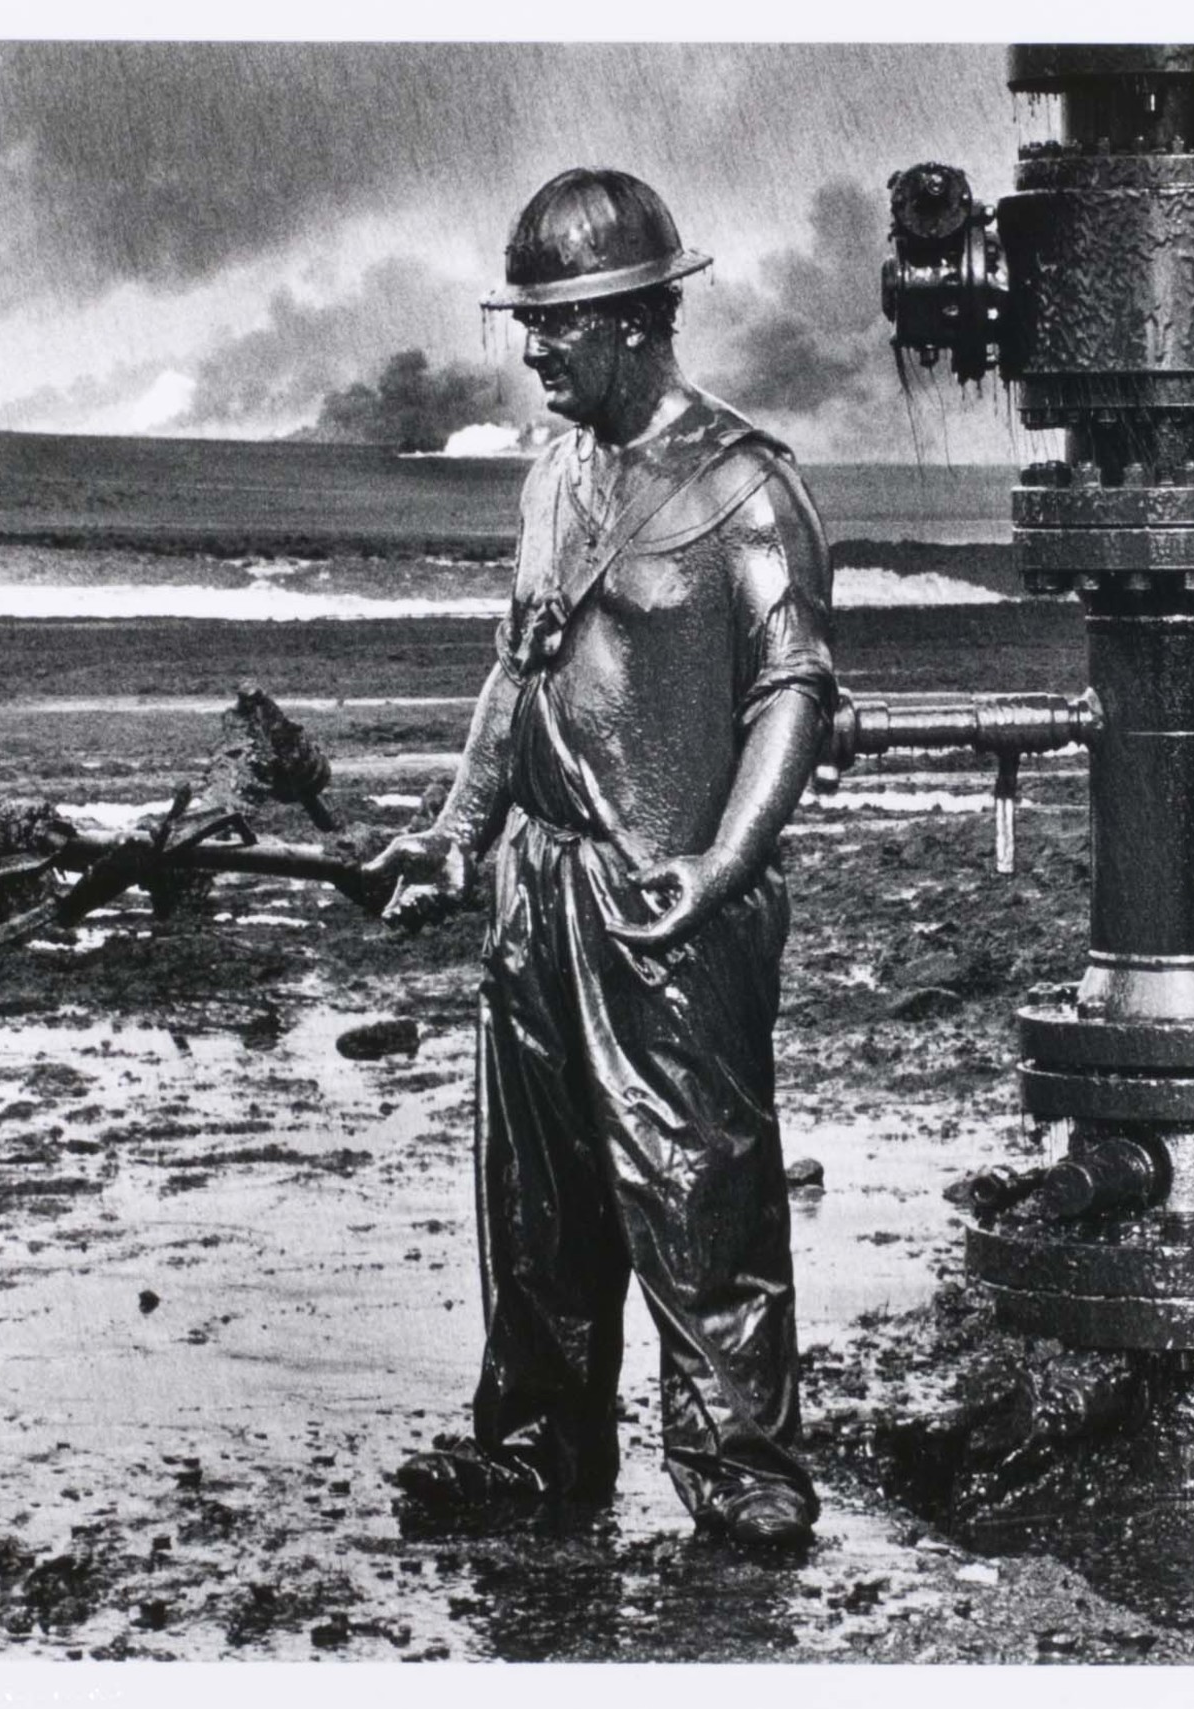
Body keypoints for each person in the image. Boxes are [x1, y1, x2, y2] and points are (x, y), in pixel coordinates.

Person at [362, 168, 833, 1545]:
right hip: (540, 897)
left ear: (634, 318)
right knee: (538, 1200)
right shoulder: (555, 478)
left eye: (555, 323)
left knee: (701, 1188)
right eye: (527, 321)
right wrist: (458, 832)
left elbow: (794, 690)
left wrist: (726, 867)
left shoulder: (746, 487)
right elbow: (520, 668)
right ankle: (535, 1452)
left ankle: (745, 1465)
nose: (532, 349)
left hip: (669, 904)